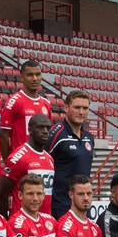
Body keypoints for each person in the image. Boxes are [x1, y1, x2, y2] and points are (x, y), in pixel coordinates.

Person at [47, 90, 97, 219]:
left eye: (85, 108)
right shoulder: (56, 134)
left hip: (81, 206)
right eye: (77, 107)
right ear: (66, 108)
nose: (81, 112)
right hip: (60, 206)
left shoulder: (89, 138)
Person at [0, 112, 57, 216]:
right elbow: (1, 192)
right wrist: (5, 219)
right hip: (21, 223)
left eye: (48, 128)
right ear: (29, 130)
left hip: (44, 221)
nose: (45, 131)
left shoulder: (49, 158)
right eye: (40, 127)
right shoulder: (18, 157)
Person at [0, 59, 53, 160]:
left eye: (38, 74)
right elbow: (3, 135)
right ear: (22, 77)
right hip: (20, 160)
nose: (34, 78)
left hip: (39, 159)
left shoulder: (46, 103)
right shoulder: (14, 102)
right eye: (30, 75)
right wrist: (9, 160)